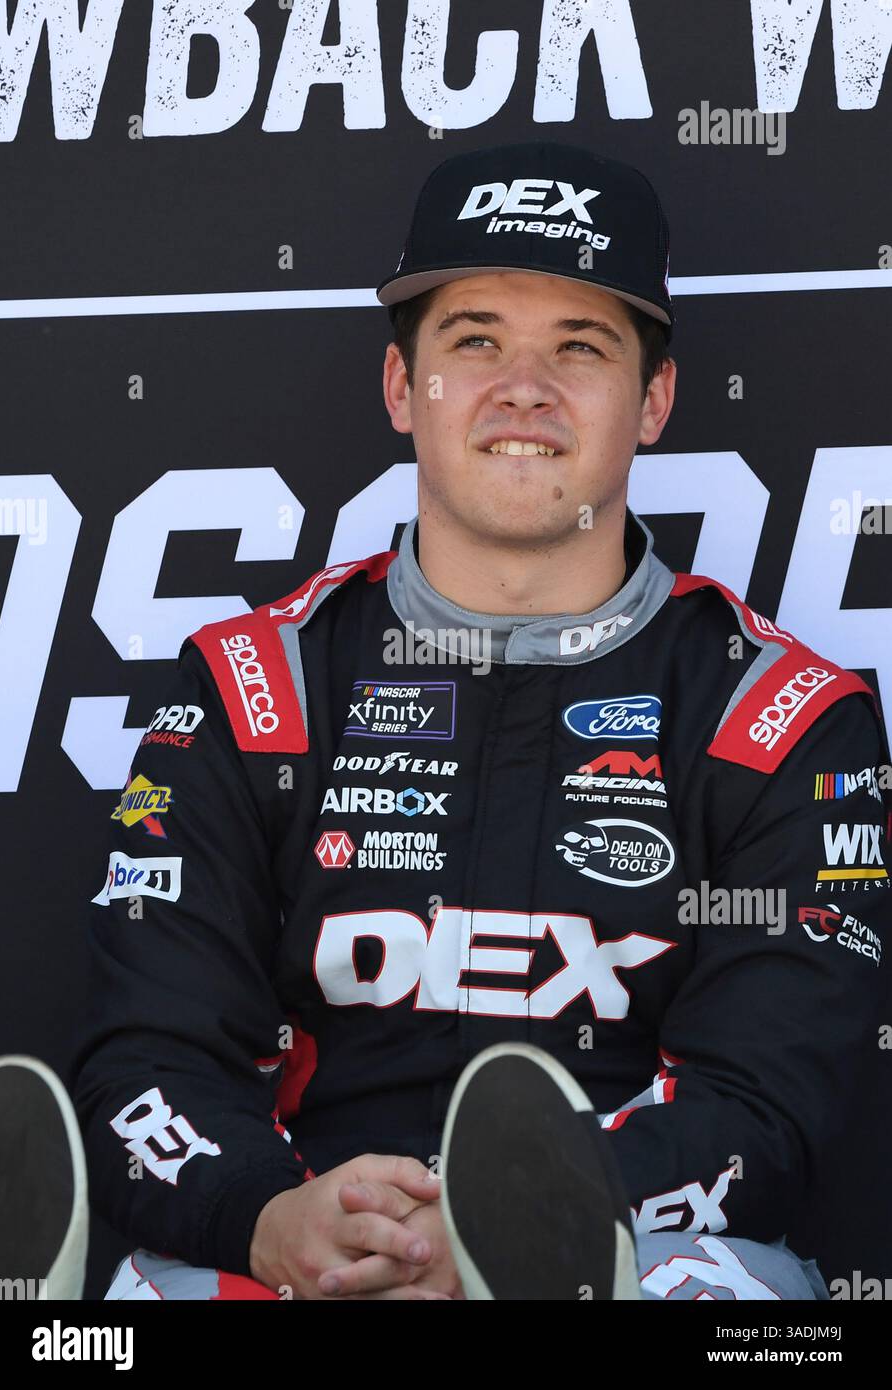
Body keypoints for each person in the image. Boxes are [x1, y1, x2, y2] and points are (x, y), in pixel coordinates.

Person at [71, 141, 890, 1301]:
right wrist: (267, 1216)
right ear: (405, 388)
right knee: (136, 1300)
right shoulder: (254, 686)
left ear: (652, 401)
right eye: (475, 341)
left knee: (748, 1304)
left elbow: (766, 1108)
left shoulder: (783, 716)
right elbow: (149, 1057)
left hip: (613, 1258)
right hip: (309, 1248)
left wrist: (506, 1224)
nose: (525, 389)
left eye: (580, 347)